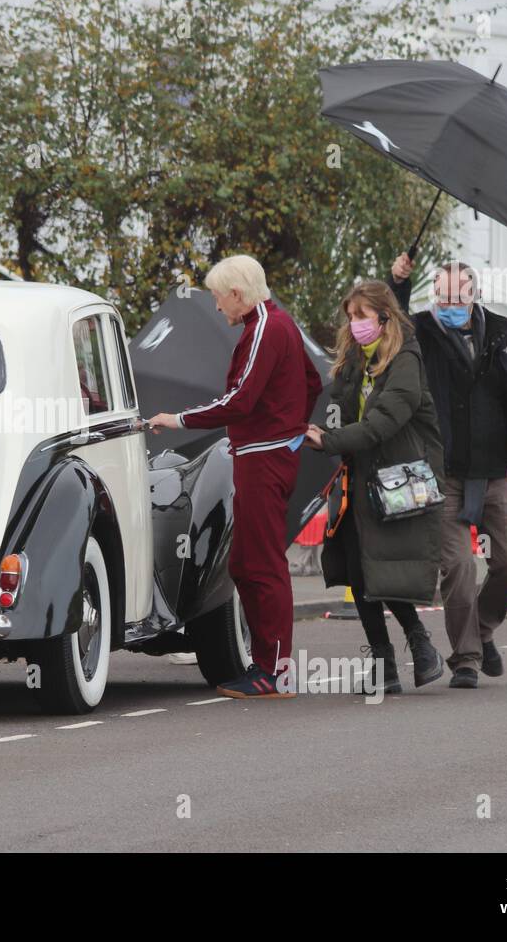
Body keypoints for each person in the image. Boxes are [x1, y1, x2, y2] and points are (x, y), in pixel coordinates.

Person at [147, 255, 322, 698]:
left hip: (264, 458)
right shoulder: (274, 324)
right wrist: (292, 427)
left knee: (262, 565)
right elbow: (311, 382)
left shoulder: (264, 329)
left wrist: (178, 419)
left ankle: (274, 670)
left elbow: (239, 401)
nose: (218, 306)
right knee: (246, 563)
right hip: (266, 453)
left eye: (219, 297)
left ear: (238, 295)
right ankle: (267, 664)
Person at [389, 254, 507, 688]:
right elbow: (391, 322)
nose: (449, 304)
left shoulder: (502, 334)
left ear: (474, 294)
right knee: (458, 567)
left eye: (458, 297)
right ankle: (466, 659)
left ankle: (480, 629)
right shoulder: (420, 331)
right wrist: (397, 282)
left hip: (493, 469)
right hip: (443, 472)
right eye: (442, 297)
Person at [303, 280, 445, 694]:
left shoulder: (406, 361)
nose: (354, 323)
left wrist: (329, 441)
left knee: (383, 567)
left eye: (362, 316)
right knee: (358, 570)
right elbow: (341, 411)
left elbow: (382, 424)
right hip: (359, 477)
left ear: (385, 317)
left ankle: (420, 645)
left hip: (399, 480)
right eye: (350, 315)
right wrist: (322, 430)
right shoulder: (353, 359)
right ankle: (385, 663)